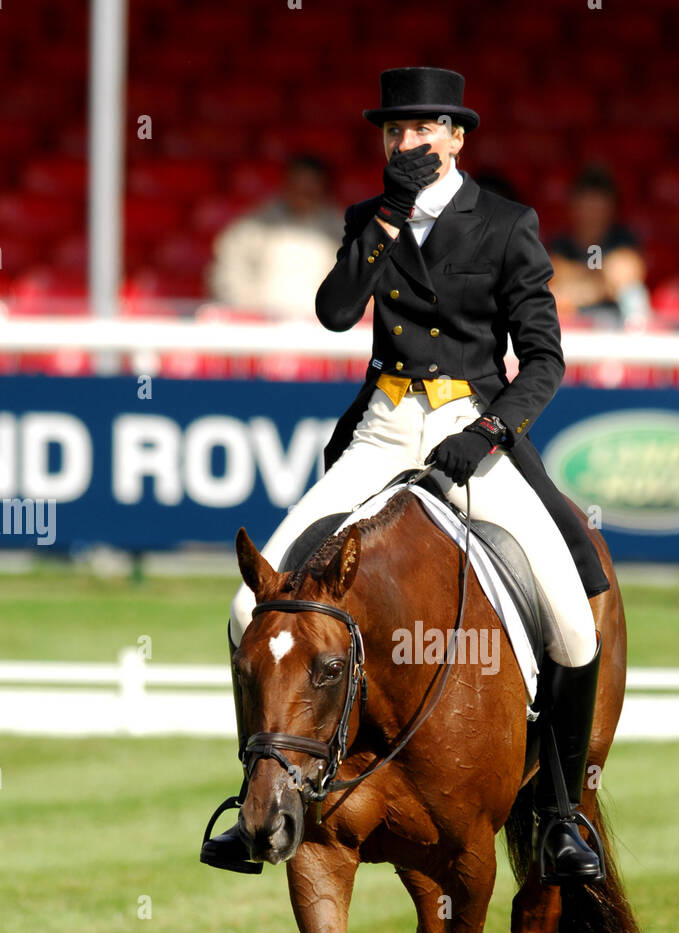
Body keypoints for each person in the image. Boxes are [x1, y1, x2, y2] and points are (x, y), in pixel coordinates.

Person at [201, 67, 610, 881]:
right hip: (384, 430)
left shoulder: (505, 223)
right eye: (393, 132)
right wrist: (386, 216)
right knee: (250, 600)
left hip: (470, 426)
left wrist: (493, 431)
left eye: (422, 130)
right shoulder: (369, 217)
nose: (405, 143)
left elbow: (544, 359)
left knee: (572, 617)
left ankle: (562, 816)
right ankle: (261, 789)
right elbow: (332, 309)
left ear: (456, 138)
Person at [208, 154, 342, 318]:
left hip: (325, 330)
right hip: (261, 329)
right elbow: (227, 275)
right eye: (297, 187)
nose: (303, 195)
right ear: (286, 185)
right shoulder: (252, 227)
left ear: (323, 188)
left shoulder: (342, 229)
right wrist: (252, 313)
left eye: (309, 190)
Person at [548, 165, 650, 327]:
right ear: (574, 207)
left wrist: (575, 285)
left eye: (599, 207)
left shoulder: (623, 239)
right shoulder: (560, 244)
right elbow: (552, 284)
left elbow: (626, 273)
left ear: (611, 208)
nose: (593, 215)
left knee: (634, 295)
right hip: (572, 329)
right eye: (588, 206)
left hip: (615, 326)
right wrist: (601, 282)